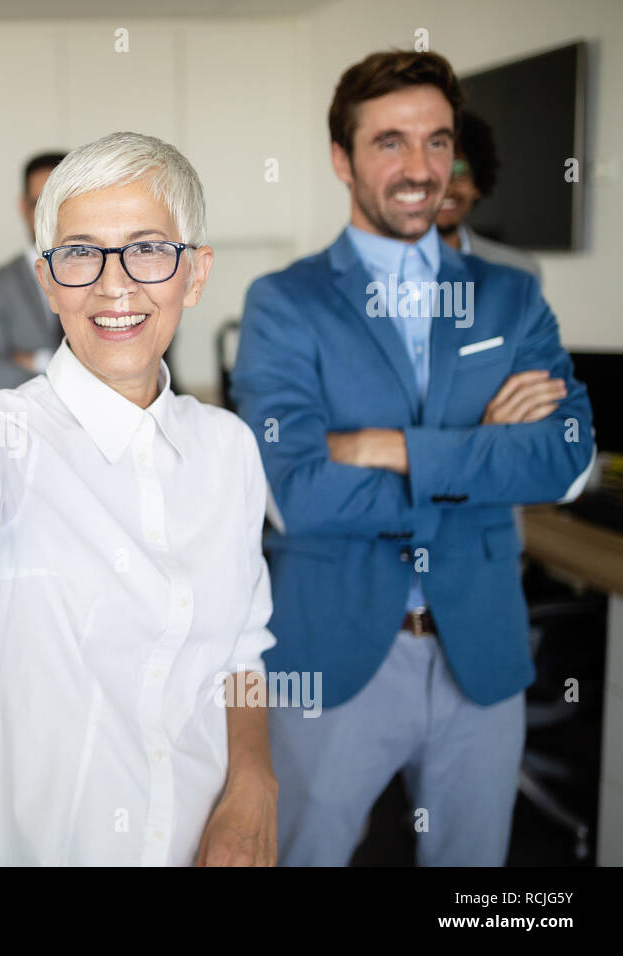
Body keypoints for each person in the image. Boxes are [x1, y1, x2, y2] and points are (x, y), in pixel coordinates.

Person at [0, 131, 279, 866]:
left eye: (147, 249)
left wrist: (254, 781)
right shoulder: (1, 430)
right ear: (48, 281)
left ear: (195, 274)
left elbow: (242, 645)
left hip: (197, 839)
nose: (114, 285)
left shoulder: (229, 445)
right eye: (80, 254)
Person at [231, 50, 595, 867]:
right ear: (343, 159)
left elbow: (568, 464)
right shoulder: (285, 303)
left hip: (483, 651)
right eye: (390, 142)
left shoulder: (509, 297)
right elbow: (295, 496)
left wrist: (387, 449)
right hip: (333, 650)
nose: (419, 168)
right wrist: (489, 459)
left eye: (437, 142)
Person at [0, 151, 67, 389]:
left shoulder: (109, 276)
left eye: (60, 204)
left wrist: (37, 360)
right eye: (38, 204)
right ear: (23, 207)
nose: (48, 217)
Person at [435, 109, 542, 280]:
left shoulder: (519, 271)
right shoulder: (379, 271)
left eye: (459, 171)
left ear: (477, 185)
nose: (447, 189)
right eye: (434, 174)